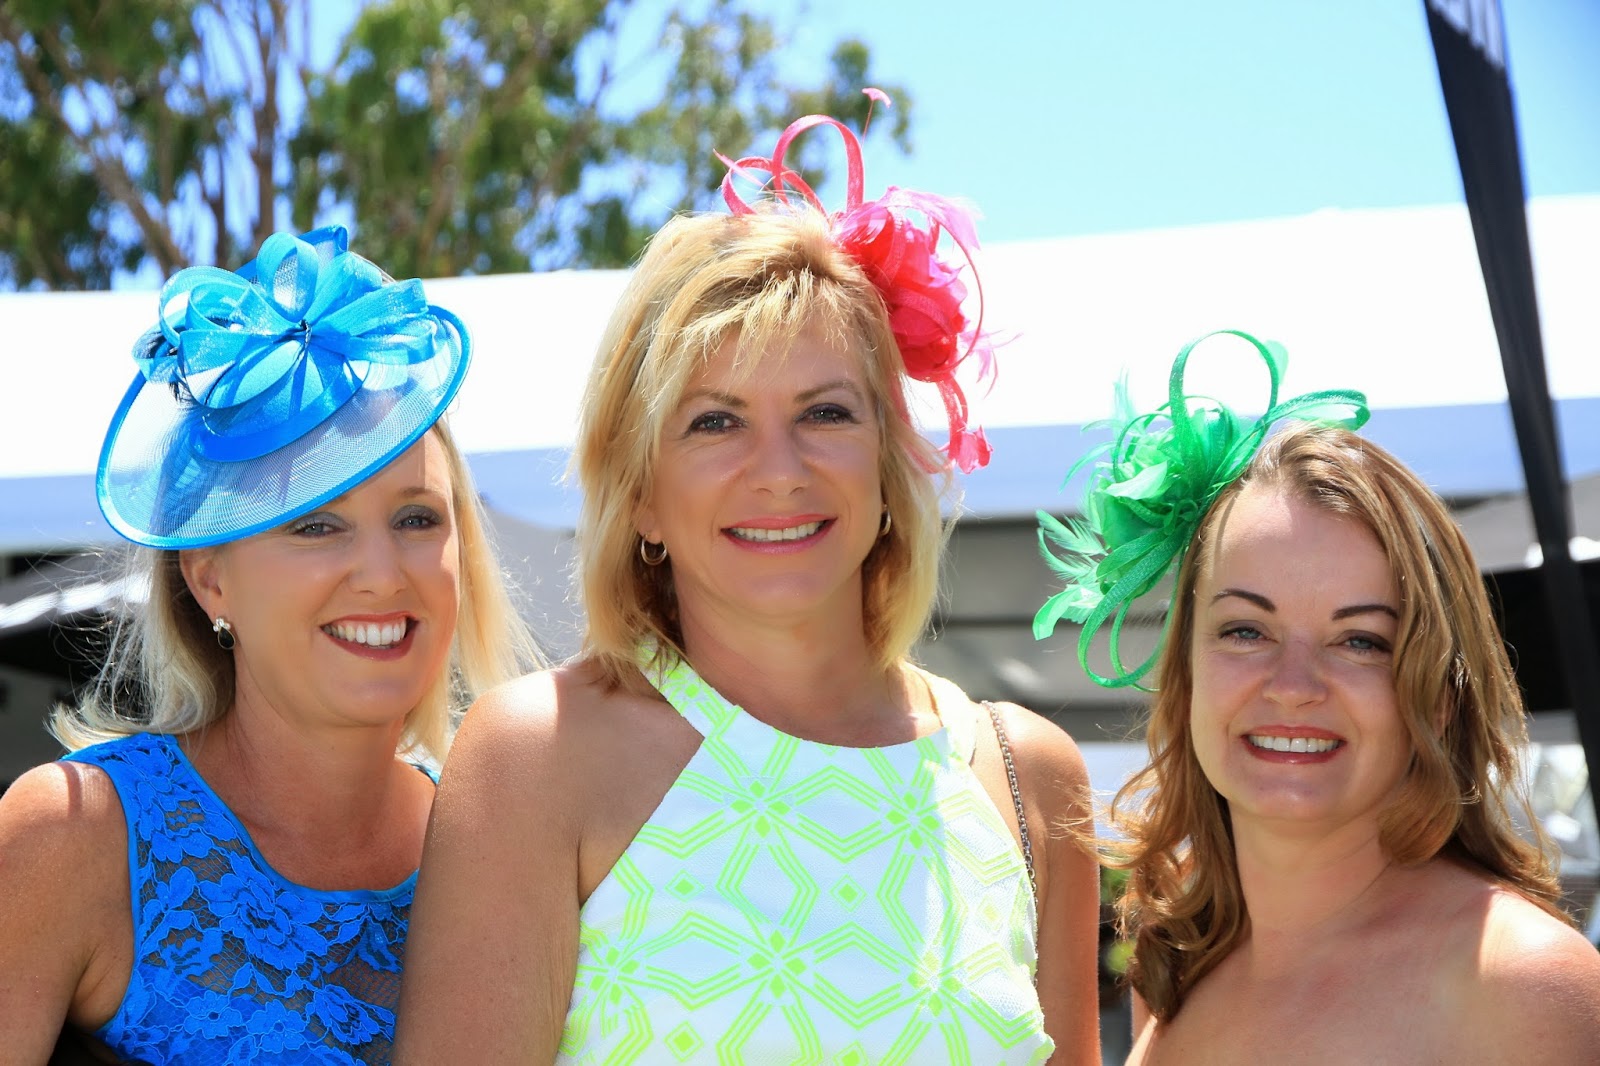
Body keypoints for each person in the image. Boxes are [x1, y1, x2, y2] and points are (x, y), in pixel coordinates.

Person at [395, 99, 1102, 1064]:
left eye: (825, 413)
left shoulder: (1026, 776)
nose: (779, 469)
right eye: (715, 422)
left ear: (889, 472)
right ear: (639, 491)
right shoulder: (539, 756)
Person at [0, 226, 539, 1064]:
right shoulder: (72, 836)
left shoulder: (507, 854)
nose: (380, 573)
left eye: (416, 519)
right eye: (316, 525)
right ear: (210, 579)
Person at [1035, 331, 1600, 1064]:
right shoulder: (1178, 964)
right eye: (1245, 630)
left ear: (1436, 694)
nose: (1294, 686)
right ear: (1186, 675)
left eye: (1360, 640)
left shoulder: (1518, 986)